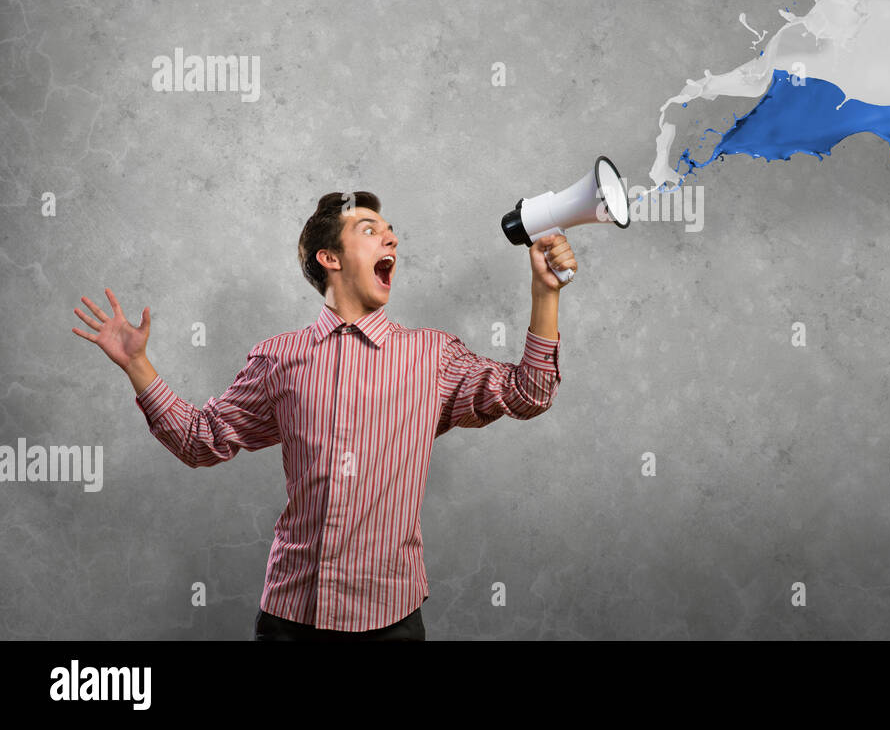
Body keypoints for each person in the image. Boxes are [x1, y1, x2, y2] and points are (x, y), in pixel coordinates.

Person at [72, 190, 576, 641]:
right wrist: (138, 365)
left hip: (391, 621)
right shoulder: (278, 358)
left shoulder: (433, 357)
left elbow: (529, 393)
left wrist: (545, 292)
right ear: (329, 257)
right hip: (290, 621)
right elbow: (200, 441)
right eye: (370, 230)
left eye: (391, 232)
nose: (392, 239)